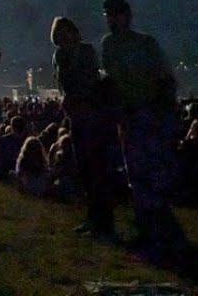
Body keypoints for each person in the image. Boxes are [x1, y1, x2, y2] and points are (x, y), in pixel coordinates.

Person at [99, 0, 185, 257]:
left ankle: (157, 223)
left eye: (115, 14)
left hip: (148, 112)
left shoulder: (145, 44)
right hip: (129, 114)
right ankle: (148, 224)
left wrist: (161, 110)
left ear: (127, 15)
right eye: (108, 15)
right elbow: (113, 80)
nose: (112, 20)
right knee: (136, 171)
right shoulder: (109, 44)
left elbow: (164, 78)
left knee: (152, 169)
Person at [51, 16, 118, 240]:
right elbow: (64, 83)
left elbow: (88, 79)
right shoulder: (60, 56)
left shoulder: (85, 51)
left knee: (96, 167)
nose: (63, 37)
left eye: (65, 32)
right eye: (59, 33)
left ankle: (104, 220)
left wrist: (79, 98)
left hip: (89, 112)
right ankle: (93, 217)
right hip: (76, 115)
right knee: (85, 169)